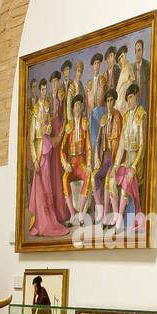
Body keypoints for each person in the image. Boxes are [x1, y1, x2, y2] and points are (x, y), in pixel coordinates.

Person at [27, 78, 70, 237]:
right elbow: (32, 138)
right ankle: (42, 222)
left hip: (48, 149)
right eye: (42, 89)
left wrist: (47, 128)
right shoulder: (36, 110)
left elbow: (50, 128)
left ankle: (49, 220)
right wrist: (35, 159)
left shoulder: (46, 106)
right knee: (41, 189)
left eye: (46, 89)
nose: (44, 92)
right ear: (39, 90)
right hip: (40, 153)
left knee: (48, 188)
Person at [109, 82, 146, 231]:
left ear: (136, 97)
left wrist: (134, 168)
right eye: (128, 98)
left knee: (125, 183)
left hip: (137, 161)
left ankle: (119, 222)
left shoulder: (141, 115)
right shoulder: (125, 117)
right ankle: (117, 215)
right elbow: (122, 145)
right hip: (126, 160)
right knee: (111, 180)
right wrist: (116, 166)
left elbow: (142, 146)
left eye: (131, 97)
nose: (130, 101)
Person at [60, 94, 93, 225]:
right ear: (73, 108)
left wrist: (89, 164)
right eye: (76, 105)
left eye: (80, 105)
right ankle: (72, 215)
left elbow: (88, 146)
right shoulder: (69, 126)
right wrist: (65, 162)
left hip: (81, 162)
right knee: (64, 179)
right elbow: (62, 149)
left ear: (81, 107)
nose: (78, 107)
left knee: (88, 177)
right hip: (72, 164)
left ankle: (80, 213)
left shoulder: (85, 123)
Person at [93, 88, 123, 222]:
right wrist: (96, 158)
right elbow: (98, 140)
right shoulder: (104, 119)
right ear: (106, 103)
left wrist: (118, 163)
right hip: (106, 158)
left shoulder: (118, 117)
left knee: (107, 181)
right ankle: (100, 210)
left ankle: (107, 215)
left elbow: (122, 141)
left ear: (114, 102)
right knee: (94, 176)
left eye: (112, 100)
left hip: (115, 158)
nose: (110, 104)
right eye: (108, 101)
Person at [114, 44, 136, 116]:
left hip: (124, 101)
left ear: (125, 54)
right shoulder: (122, 69)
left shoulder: (128, 67)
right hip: (120, 101)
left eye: (122, 57)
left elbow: (126, 86)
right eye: (119, 60)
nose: (121, 61)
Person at [133, 39, 151, 113]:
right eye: (135, 51)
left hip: (145, 102)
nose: (137, 54)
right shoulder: (132, 67)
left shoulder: (147, 65)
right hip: (136, 103)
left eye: (139, 50)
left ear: (143, 51)